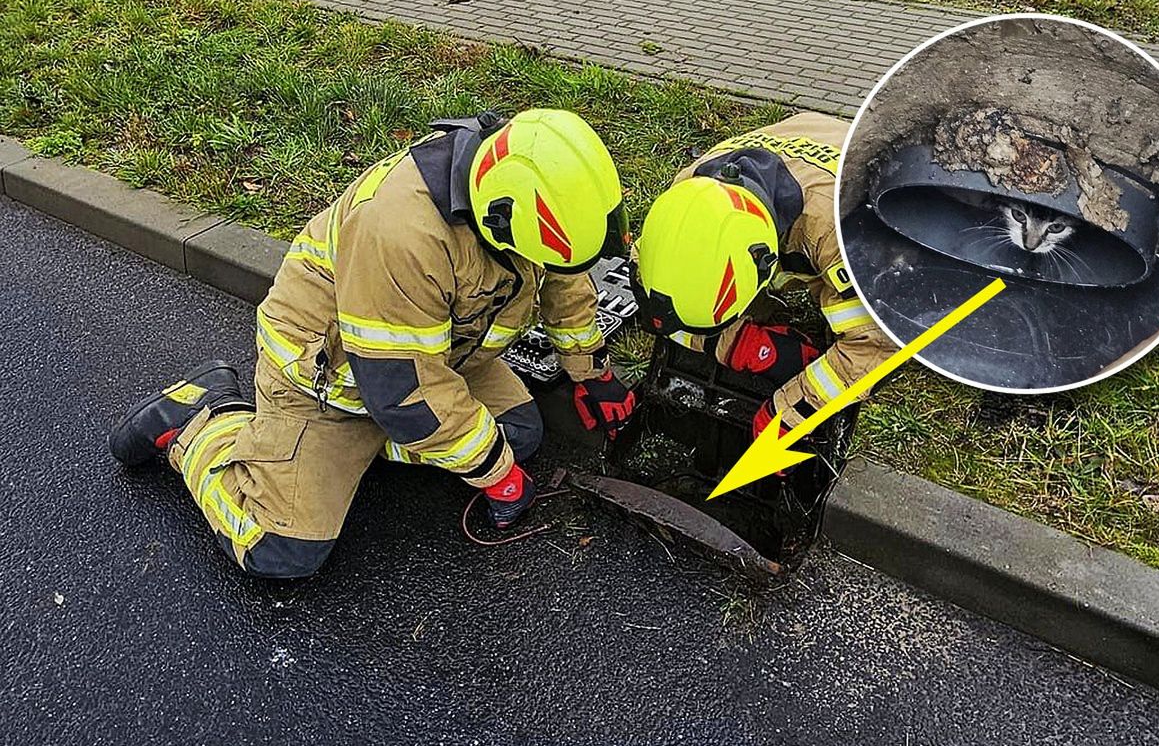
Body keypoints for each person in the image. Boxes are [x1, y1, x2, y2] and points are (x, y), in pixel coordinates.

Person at [108, 109, 637, 578]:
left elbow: (565, 276)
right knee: (282, 550)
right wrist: (497, 476)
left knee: (517, 433)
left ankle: (354, 458)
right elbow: (405, 391)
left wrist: (593, 372)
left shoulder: (526, 177)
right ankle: (203, 424)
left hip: (443, 357)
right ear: (501, 218)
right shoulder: (402, 233)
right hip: (330, 382)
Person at [632, 112, 894, 441]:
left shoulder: (841, 234)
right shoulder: (685, 196)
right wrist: (739, 345)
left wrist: (791, 412)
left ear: (765, 263)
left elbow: (880, 345)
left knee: (862, 318)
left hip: (869, 183)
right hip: (808, 137)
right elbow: (647, 291)